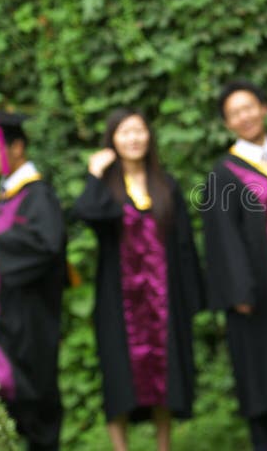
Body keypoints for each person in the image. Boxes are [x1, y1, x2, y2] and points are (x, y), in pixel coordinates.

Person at [72, 108, 204, 451]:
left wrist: (191, 299)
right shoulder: (106, 187)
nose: (133, 139)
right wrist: (94, 174)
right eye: (125, 132)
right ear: (112, 140)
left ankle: (164, 446)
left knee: (165, 377)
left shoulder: (165, 185)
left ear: (149, 136)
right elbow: (87, 212)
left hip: (162, 299)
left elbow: (184, 244)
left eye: (139, 131)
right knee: (119, 379)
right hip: (120, 300)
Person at [200, 80, 267, 451]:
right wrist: (238, 290)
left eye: (249, 107)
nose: (244, 117)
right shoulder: (223, 172)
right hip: (255, 285)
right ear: (227, 123)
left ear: (264, 108)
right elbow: (222, 239)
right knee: (257, 363)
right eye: (234, 113)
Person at [0, 110, 65, 450]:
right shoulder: (8, 194)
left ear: (17, 147)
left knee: (35, 404)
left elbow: (48, 245)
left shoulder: (38, 195)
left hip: (28, 323)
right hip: (3, 321)